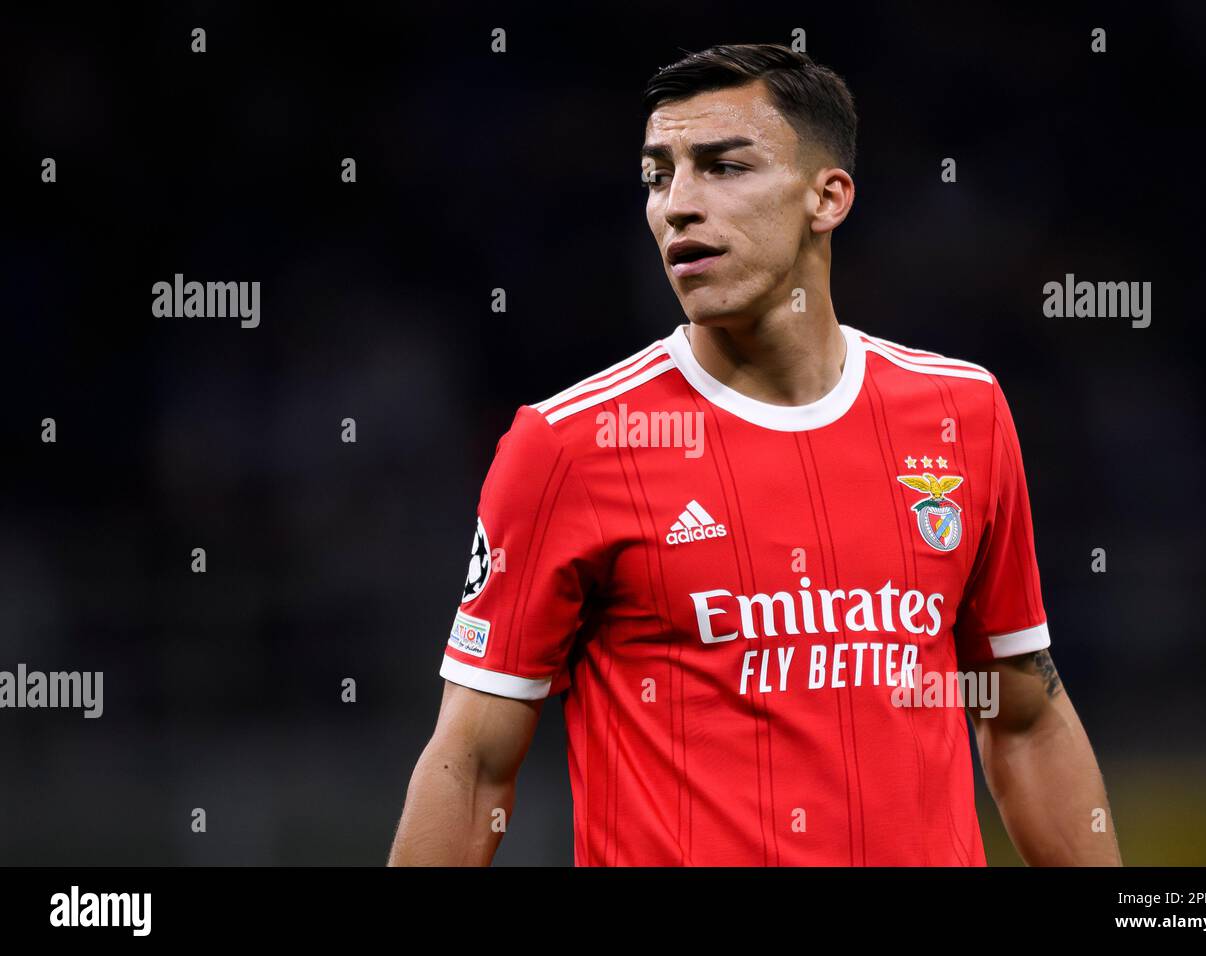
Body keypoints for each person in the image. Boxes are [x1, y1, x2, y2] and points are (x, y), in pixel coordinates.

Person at [389, 42, 1120, 866]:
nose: (677, 207)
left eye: (723, 167)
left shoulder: (963, 413)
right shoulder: (570, 445)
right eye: (657, 176)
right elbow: (472, 767)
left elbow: (1022, 719)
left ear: (828, 197)